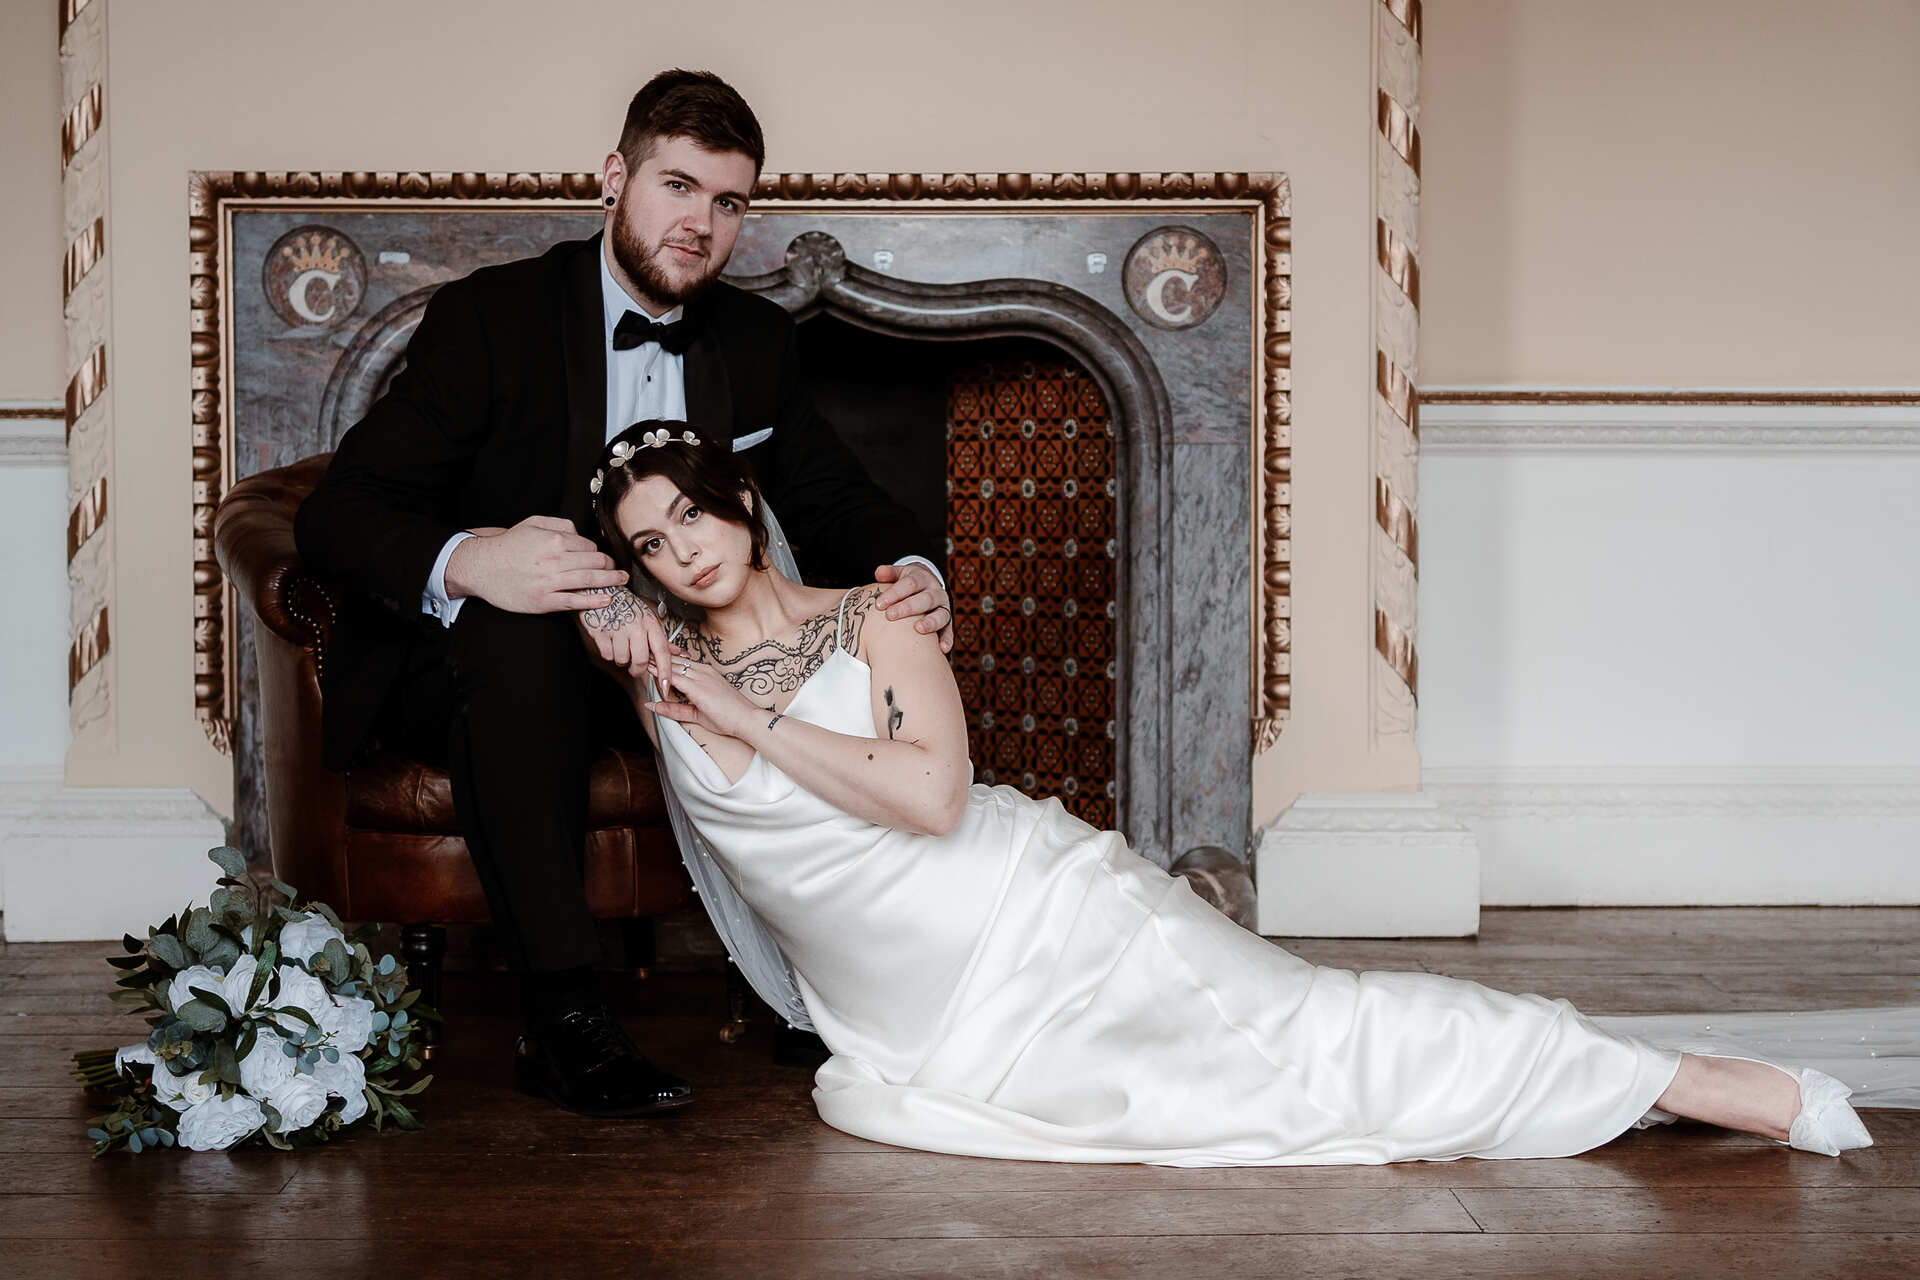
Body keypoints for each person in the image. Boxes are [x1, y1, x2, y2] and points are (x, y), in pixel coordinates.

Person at [582, 418, 1910, 1166]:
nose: (681, 550)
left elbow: (932, 798)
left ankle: (1676, 1076)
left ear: (744, 496)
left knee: (1318, 1040)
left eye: (692, 514)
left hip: (1038, 927)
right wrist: (630, 645)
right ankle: (1642, 1083)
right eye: (650, 543)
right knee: (1237, 1101)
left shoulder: (878, 621)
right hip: (925, 1026)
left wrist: (746, 711)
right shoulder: (663, 670)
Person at [293, 70, 952, 1118]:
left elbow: (832, 495)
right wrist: (472, 558)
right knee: (521, 640)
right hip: (493, 662)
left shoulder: (753, 342)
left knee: (799, 643)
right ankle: (563, 1017)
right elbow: (338, 511)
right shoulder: (490, 319)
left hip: (676, 651)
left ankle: (840, 983)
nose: (699, 223)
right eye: (677, 186)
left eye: (726, 202)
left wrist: (911, 580)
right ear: (615, 177)